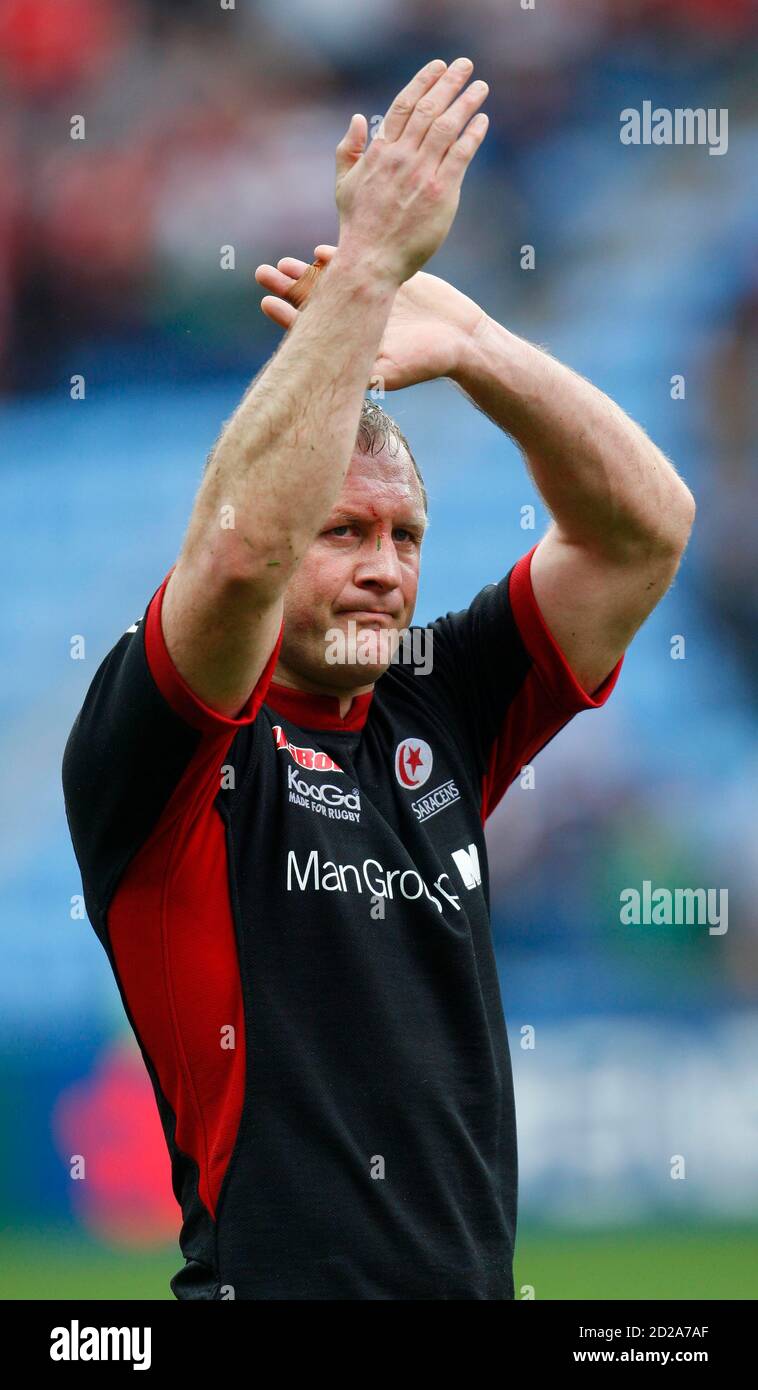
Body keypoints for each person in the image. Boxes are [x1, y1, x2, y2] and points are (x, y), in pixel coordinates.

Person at [62, 57, 695, 1300]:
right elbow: (240, 555)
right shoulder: (167, 744)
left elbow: (643, 532)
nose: (382, 572)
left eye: (403, 537)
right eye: (342, 533)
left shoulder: (431, 700)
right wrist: (365, 270)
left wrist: (473, 346)